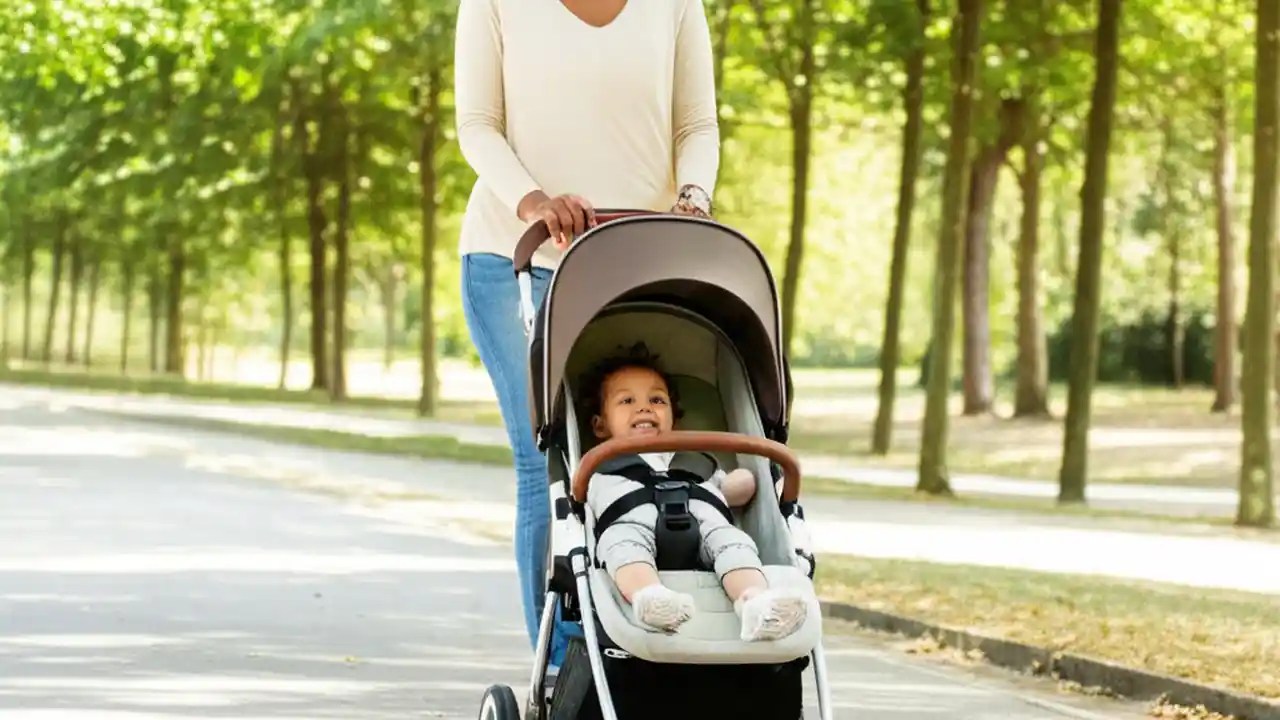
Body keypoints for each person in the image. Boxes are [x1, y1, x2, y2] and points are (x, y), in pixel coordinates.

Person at [452, 0, 721, 667]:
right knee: (544, 462)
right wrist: (536, 201)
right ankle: (563, 664)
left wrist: (694, 196)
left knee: (635, 455)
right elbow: (477, 126)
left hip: (637, 258)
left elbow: (697, 124)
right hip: (516, 257)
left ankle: (650, 632)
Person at [579, 344, 809, 641]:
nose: (644, 407)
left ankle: (755, 602)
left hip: (705, 527)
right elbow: (579, 506)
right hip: (631, 524)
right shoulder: (596, 465)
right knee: (619, 543)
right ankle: (648, 596)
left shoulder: (695, 460)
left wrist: (752, 482)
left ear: (674, 416)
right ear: (599, 425)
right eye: (627, 400)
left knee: (735, 542)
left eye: (657, 400)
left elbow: (730, 489)